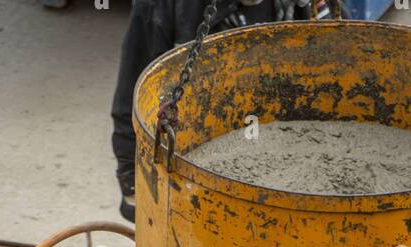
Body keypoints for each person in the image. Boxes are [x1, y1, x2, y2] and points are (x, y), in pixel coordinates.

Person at [111, 0, 329, 221]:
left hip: (287, 170)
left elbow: (340, 51)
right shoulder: (162, 7)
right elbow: (132, 100)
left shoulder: (304, 5)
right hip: (196, 178)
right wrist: (133, 184)